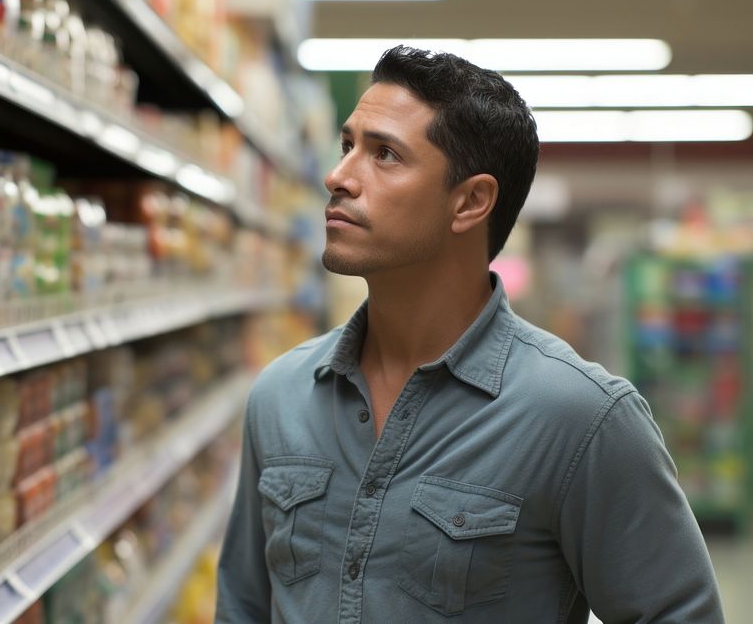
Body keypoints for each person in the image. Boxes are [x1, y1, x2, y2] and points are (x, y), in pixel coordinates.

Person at [214, 46, 724, 623]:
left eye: (384, 155)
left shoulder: (579, 418)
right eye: (346, 145)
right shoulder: (279, 395)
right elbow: (243, 605)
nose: (339, 176)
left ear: (471, 201)